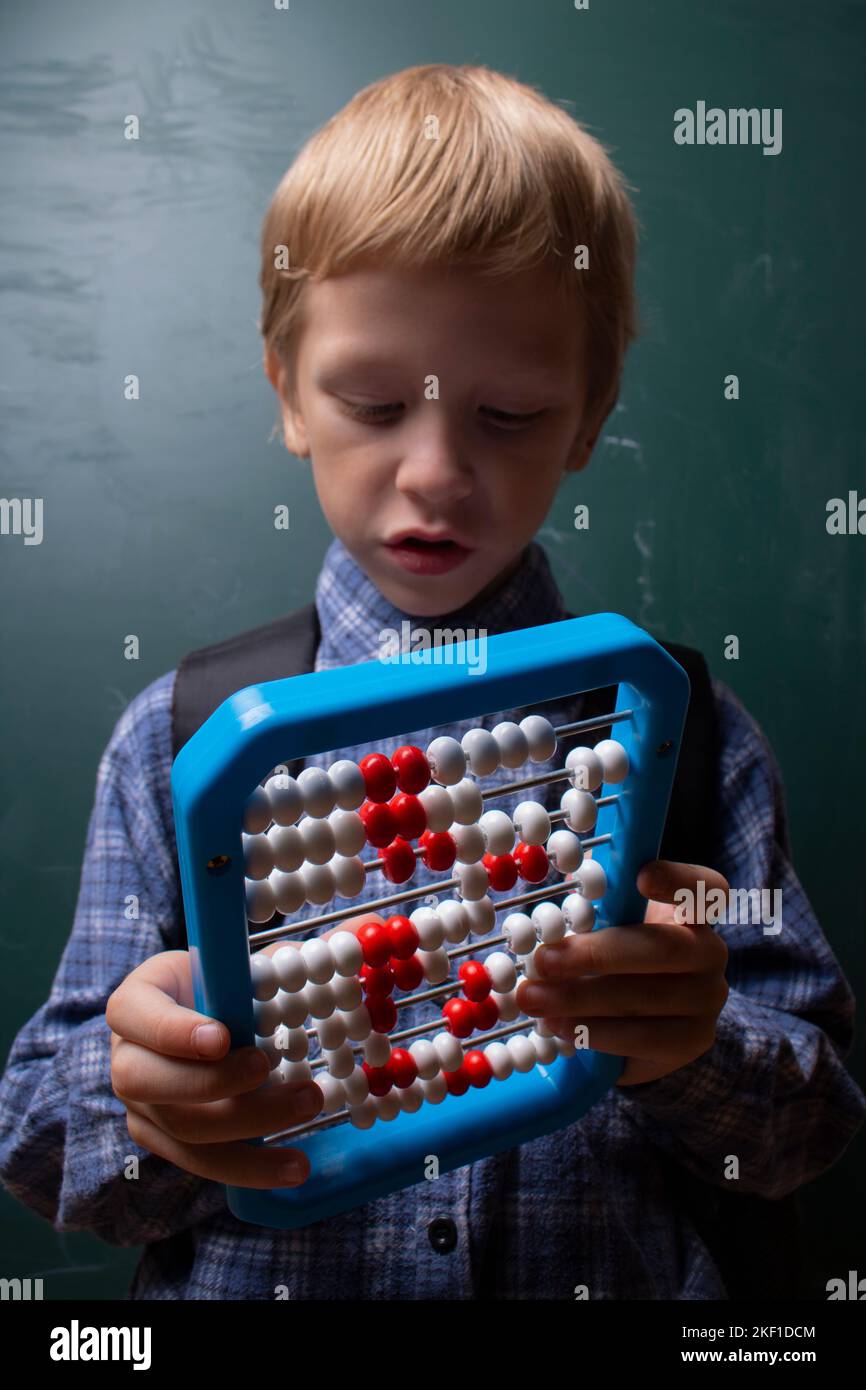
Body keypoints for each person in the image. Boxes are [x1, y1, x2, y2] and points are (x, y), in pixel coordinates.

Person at [1, 64, 863, 1300]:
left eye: (508, 415)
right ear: (287, 394)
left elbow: (805, 1130)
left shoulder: (687, 742)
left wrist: (690, 1041)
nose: (435, 472)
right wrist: (145, 1106)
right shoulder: (177, 741)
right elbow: (43, 1145)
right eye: (370, 402)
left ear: (586, 419)